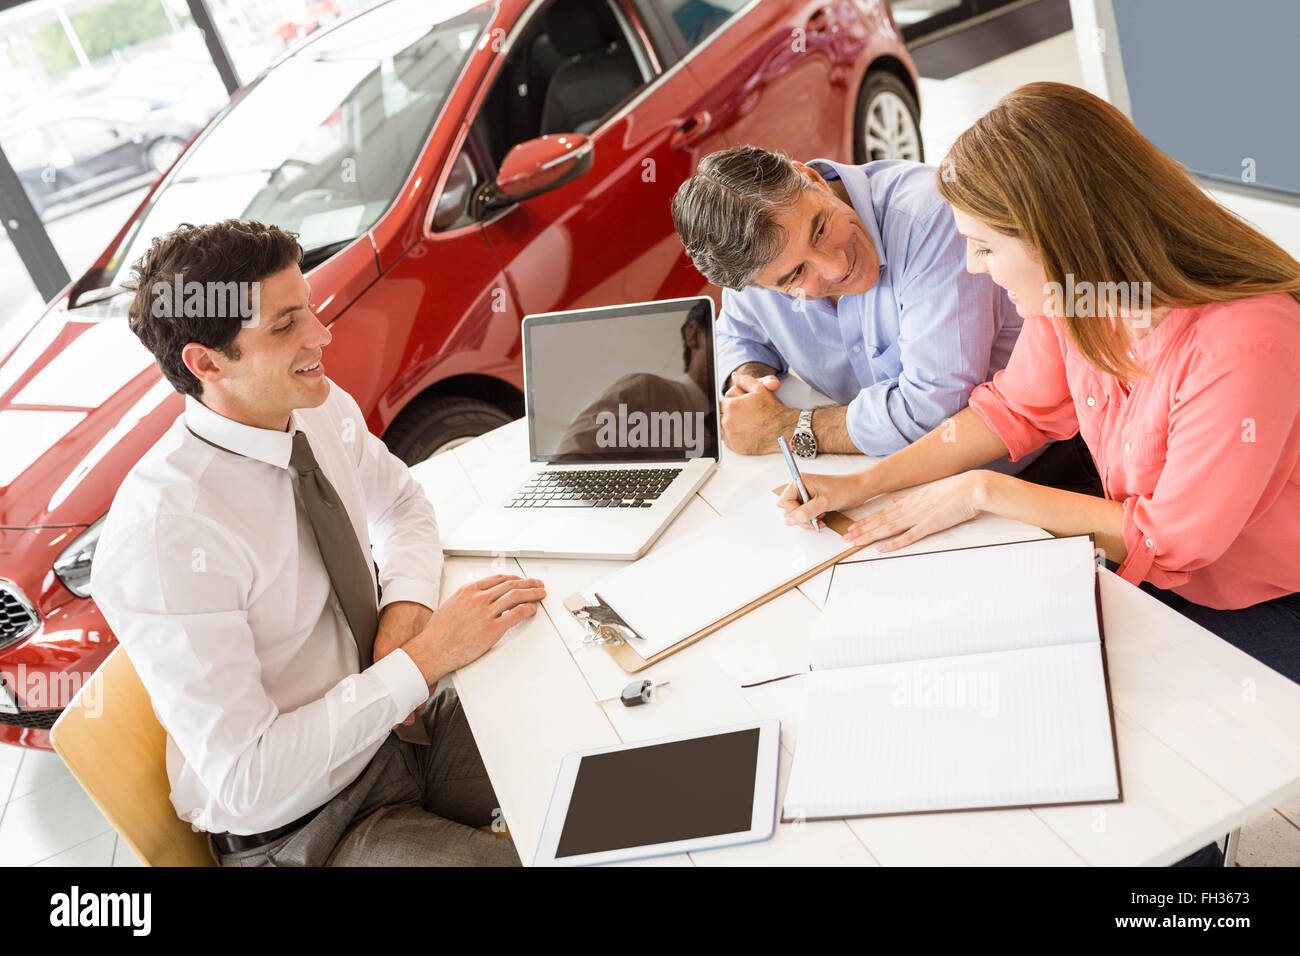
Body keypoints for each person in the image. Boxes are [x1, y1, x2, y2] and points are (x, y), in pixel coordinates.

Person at [779, 82, 1300, 864]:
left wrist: (991, 491)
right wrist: (866, 483)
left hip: (1261, 596)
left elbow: (1177, 539)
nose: (976, 269)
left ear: (1057, 232)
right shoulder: (1080, 298)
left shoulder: (1244, 337)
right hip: (1163, 572)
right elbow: (1010, 413)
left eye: (986, 246)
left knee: (1139, 762)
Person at [91, 220, 545, 866]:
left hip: (396, 735)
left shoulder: (315, 410)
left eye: (309, 310)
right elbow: (249, 780)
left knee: (578, 744)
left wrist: (406, 614)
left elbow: (403, 506)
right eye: (285, 327)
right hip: (304, 824)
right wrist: (420, 663)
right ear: (206, 362)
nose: (322, 336)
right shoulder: (167, 532)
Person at [671, 145, 1080, 483]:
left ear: (812, 180)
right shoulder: (757, 261)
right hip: (870, 474)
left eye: (819, 229)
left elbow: (932, 411)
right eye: (796, 275)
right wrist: (752, 385)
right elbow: (733, 336)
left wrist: (788, 428)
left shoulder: (930, 217)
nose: (834, 266)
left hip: (1022, 472)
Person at [554, 300, 715, 459]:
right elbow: (569, 462)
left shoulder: (728, 421)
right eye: (727, 334)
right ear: (693, 333)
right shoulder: (647, 391)